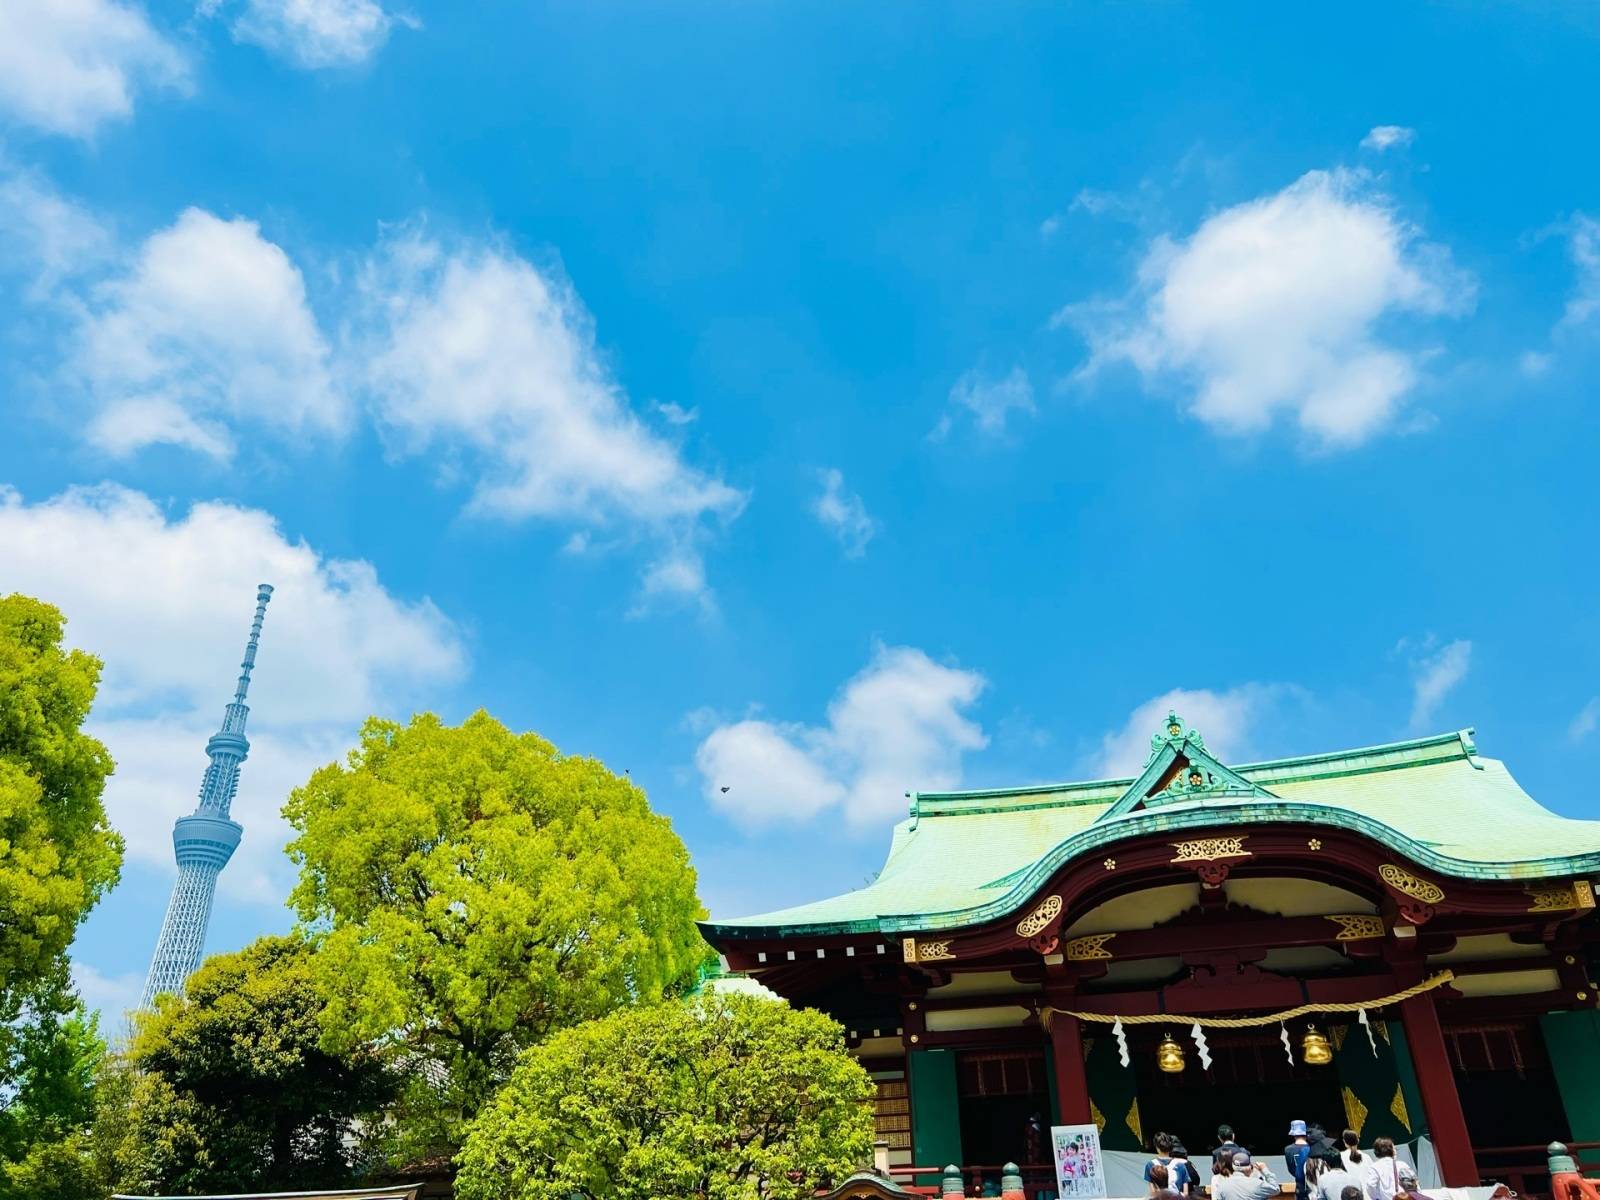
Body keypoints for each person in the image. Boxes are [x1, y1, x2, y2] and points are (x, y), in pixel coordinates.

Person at [1214, 1151, 1281, 1200]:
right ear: (1249, 1168)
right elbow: (1275, 1189)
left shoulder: (1222, 1186)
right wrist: (1265, 1170)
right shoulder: (1257, 1183)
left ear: (1233, 1166)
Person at [1285, 1120, 1313, 1200]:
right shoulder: (1314, 1148)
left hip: (1299, 1186)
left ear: (1293, 1134)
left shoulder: (1288, 1150)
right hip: (1314, 1184)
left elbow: (1291, 1169)